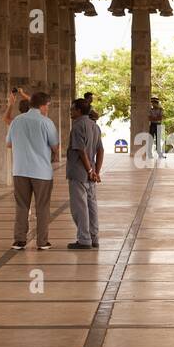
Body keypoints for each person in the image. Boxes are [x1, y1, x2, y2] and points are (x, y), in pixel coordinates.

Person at [6, 90, 59, 250]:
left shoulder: (17, 121)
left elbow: (9, 144)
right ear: (43, 105)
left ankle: (19, 240)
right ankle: (42, 242)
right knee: (42, 206)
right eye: (47, 106)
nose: (47, 109)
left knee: (22, 205)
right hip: (41, 171)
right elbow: (55, 146)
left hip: (20, 170)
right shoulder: (46, 122)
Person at [66, 98, 104, 249]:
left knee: (79, 206)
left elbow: (81, 151)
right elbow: (100, 150)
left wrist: (89, 170)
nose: (70, 111)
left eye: (72, 109)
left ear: (79, 110)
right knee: (91, 205)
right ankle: (94, 237)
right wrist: (96, 171)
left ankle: (84, 239)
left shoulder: (77, 126)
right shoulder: (94, 126)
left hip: (79, 172)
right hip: (91, 173)